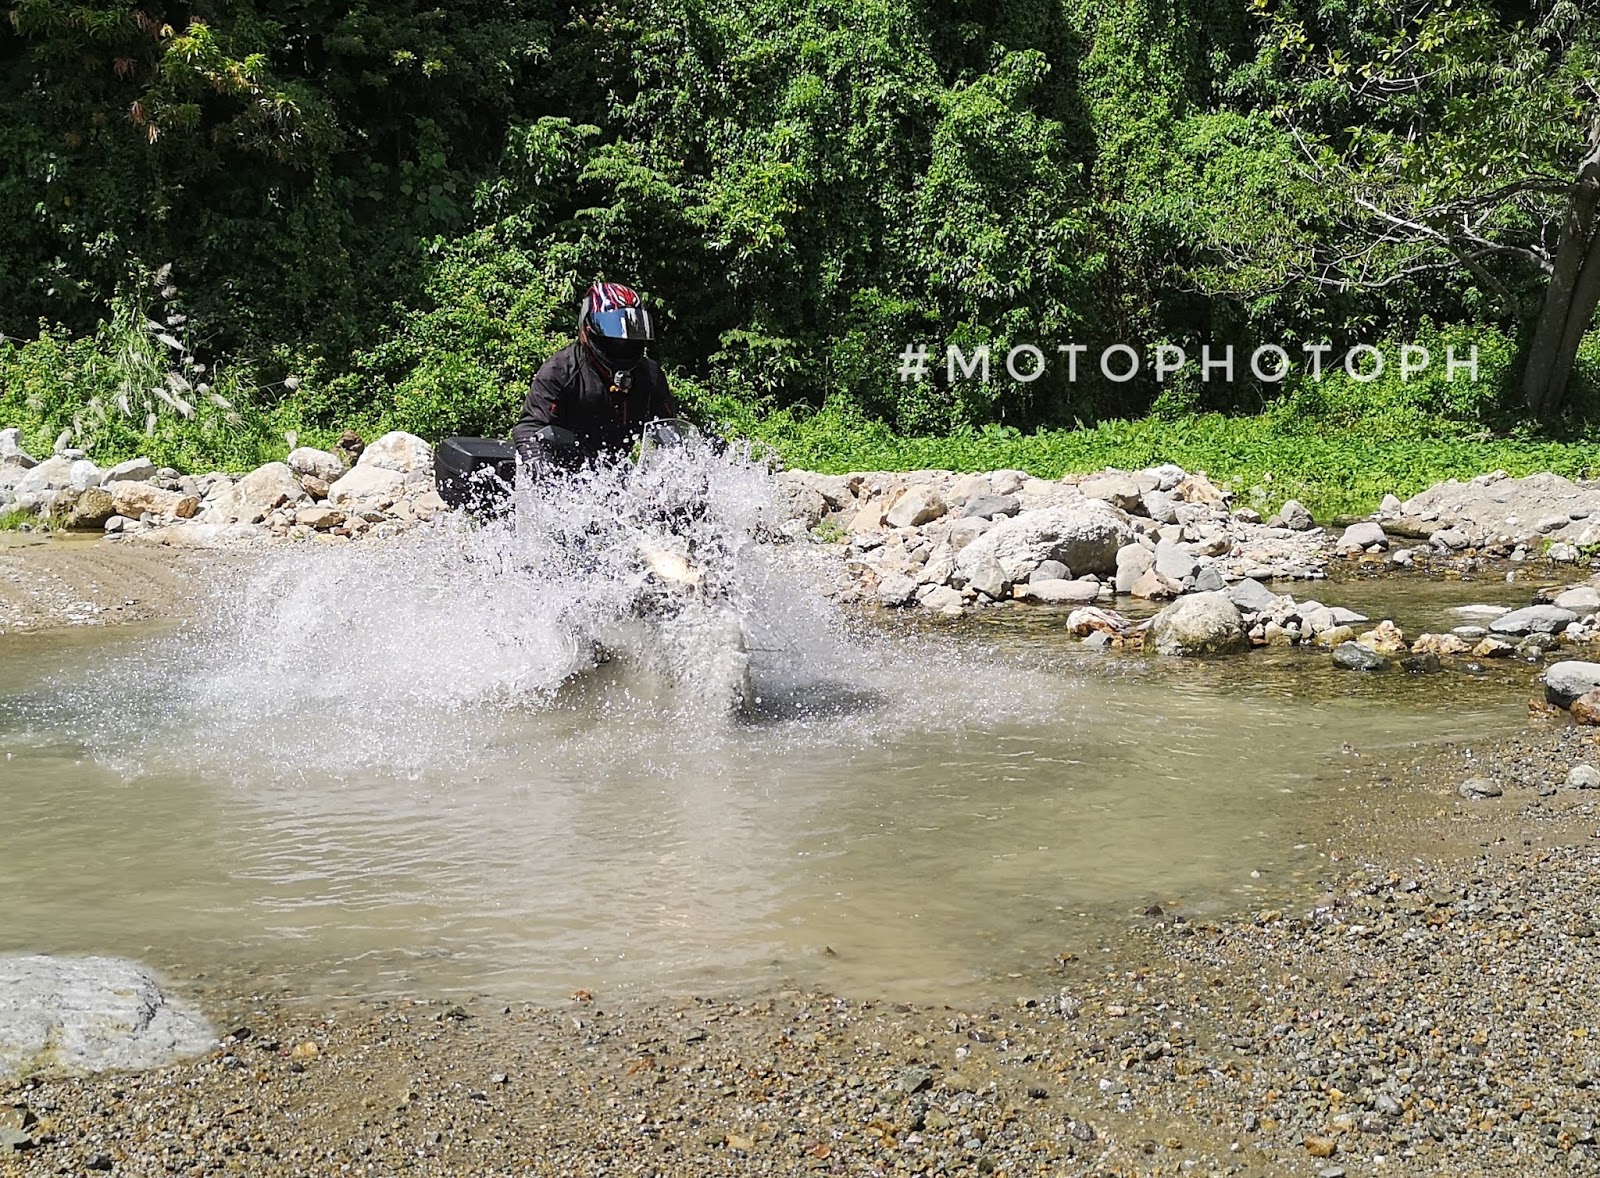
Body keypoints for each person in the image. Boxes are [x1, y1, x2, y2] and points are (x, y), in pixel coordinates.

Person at [512, 281, 678, 475]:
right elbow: (530, 427)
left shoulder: (650, 375)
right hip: (567, 477)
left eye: (631, 334)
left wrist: (682, 466)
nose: (623, 343)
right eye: (614, 335)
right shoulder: (561, 371)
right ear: (588, 328)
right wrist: (541, 469)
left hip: (619, 478)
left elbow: (669, 430)